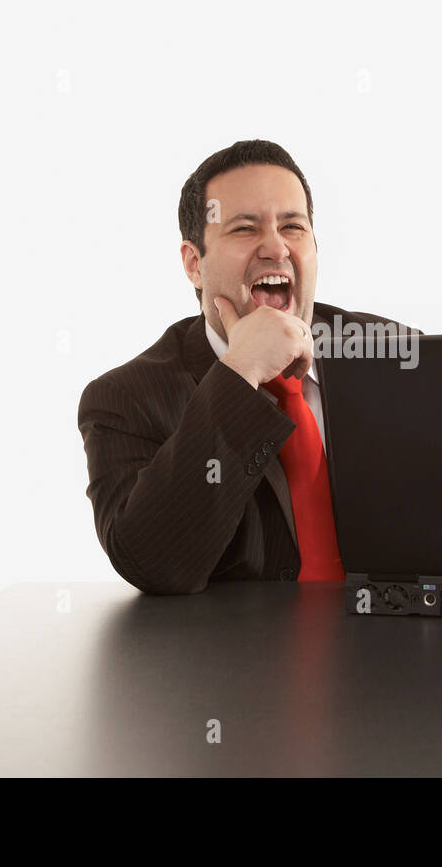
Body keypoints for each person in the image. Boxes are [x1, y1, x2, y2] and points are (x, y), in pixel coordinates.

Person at [77, 139, 421, 593]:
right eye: (244, 228)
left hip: (389, 652)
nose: (275, 247)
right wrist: (238, 374)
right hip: (236, 659)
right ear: (194, 264)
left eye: (293, 226)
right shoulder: (125, 400)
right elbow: (152, 564)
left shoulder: (394, 354)